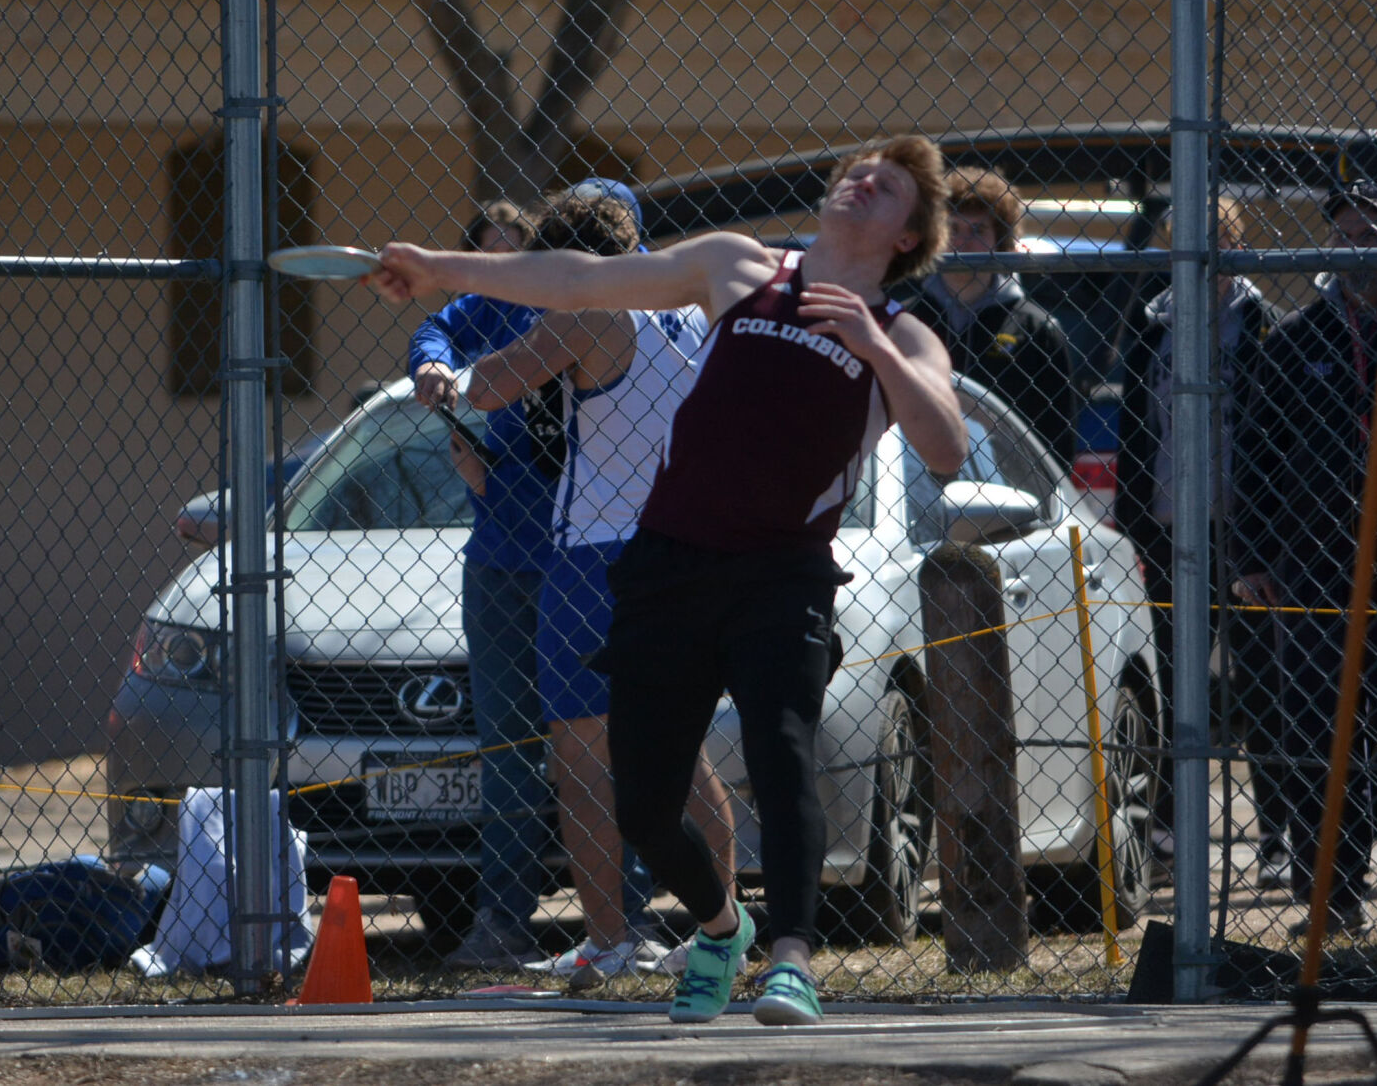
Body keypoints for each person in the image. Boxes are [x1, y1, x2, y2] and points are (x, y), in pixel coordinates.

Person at [369, 135, 968, 1026]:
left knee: (781, 750)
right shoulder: (741, 269)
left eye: (885, 188)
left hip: (782, 573)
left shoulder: (905, 330)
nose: (861, 183)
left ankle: (792, 963)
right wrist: (435, 268)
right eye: (855, 173)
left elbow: (946, 448)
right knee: (644, 803)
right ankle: (723, 928)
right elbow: (577, 282)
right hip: (669, 561)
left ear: (911, 234)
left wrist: (871, 345)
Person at [462, 184, 736, 987]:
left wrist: (471, 355)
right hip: (685, 550)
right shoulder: (693, 310)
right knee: (683, 755)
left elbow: (488, 387)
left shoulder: (589, 310)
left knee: (581, 757)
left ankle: (611, 939)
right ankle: (721, 930)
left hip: (596, 558)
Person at [1231, 180, 1377, 935]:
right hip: (1312, 569)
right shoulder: (1298, 338)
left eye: (1371, 232)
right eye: (1342, 234)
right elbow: (1256, 455)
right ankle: (1329, 898)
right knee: (1315, 731)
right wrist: (1252, 555)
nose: (1354, 248)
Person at [404, 202, 562, 971]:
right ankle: (503, 918)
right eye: (486, 254)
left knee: (602, 742)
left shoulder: (569, 306)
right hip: (499, 558)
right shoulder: (481, 309)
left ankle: (630, 918)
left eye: (514, 253)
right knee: (508, 749)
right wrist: (432, 365)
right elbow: (430, 330)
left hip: (578, 558)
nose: (501, 265)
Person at [1113, 197, 1288, 888]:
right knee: (1170, 682)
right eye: (1187, 239)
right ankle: (1165, 835)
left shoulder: (1258, 324)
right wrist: (1131, 523)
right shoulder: (1152, 326)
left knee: (1261, 680)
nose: (1200, 251)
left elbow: (1275, 435)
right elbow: (1135, 429)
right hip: (1165, 531)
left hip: (1240, 532)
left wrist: (1267, 537)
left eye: (1215, 239)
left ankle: (1277, 833)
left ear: (1235, 247)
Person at [897, 167, 1078, 470]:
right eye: (953, 229)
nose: (963, 243)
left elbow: (1058, 445)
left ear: (1001, 240)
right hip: (913, 486)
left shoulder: (1036, 329)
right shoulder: (904, 320)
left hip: (1014, 496)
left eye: (978, 230)